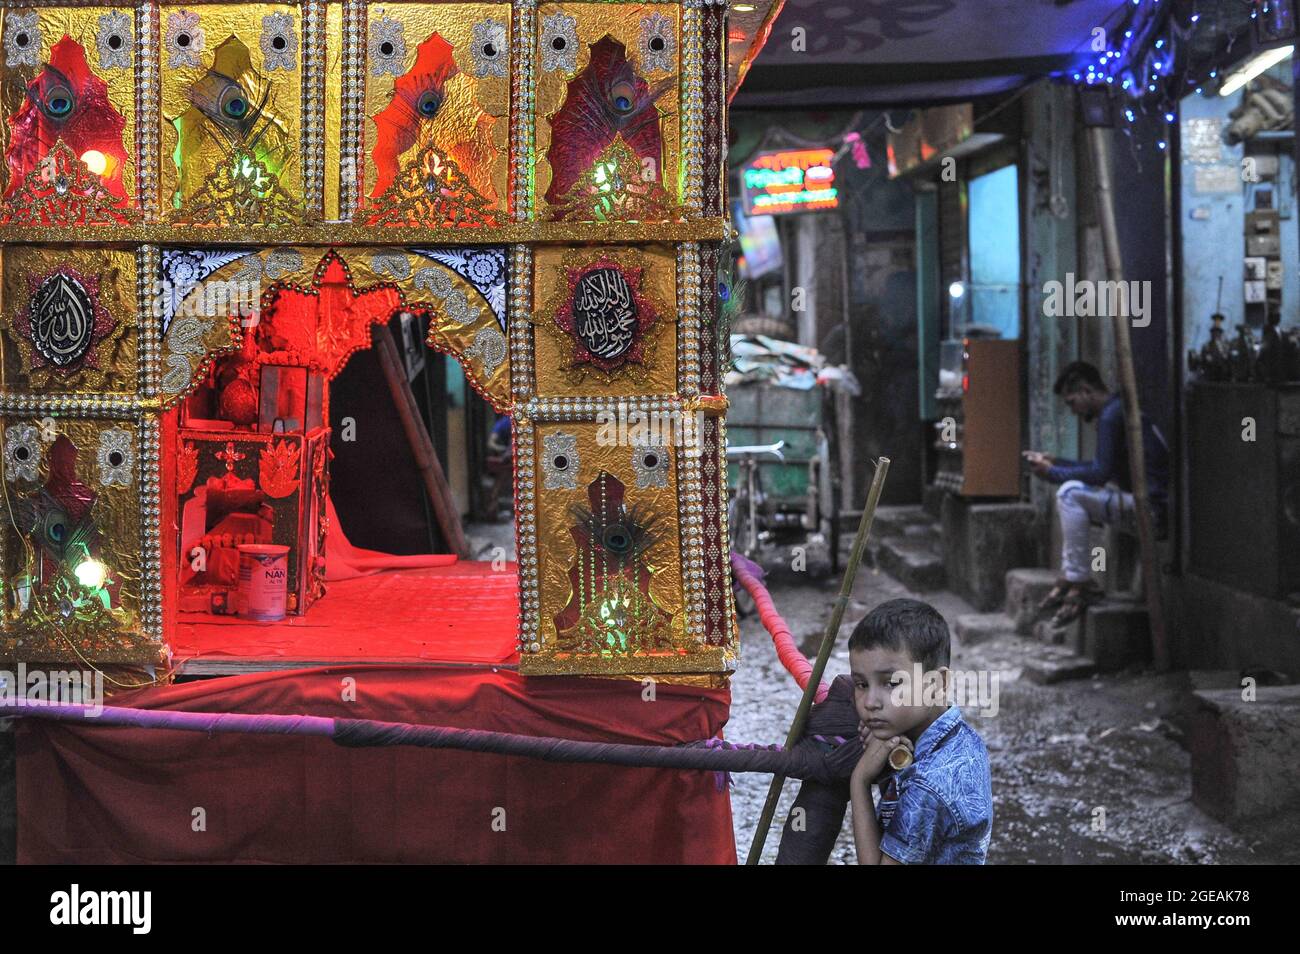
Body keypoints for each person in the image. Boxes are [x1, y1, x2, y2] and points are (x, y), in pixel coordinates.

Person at [1023, 361, 1170, 625]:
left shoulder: (1112, 416)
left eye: (1072, 402)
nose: (1073, 411)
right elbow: (1098, 467)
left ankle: (1079, 577)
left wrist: (1052, 474)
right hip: (1146, 502)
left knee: (1069, 494)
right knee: (1074, 490)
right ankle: (1074, 574)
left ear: (1086, 390)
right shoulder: (1115, 410)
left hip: (1151, 509)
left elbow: (1099, 473)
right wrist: (1055, 462)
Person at [848, 598, 992, 865]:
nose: (870, 702)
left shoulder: (928, 785)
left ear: (937, 683)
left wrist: (860, 781)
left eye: (891, 683)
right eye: (861, 684)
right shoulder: (962, 739)